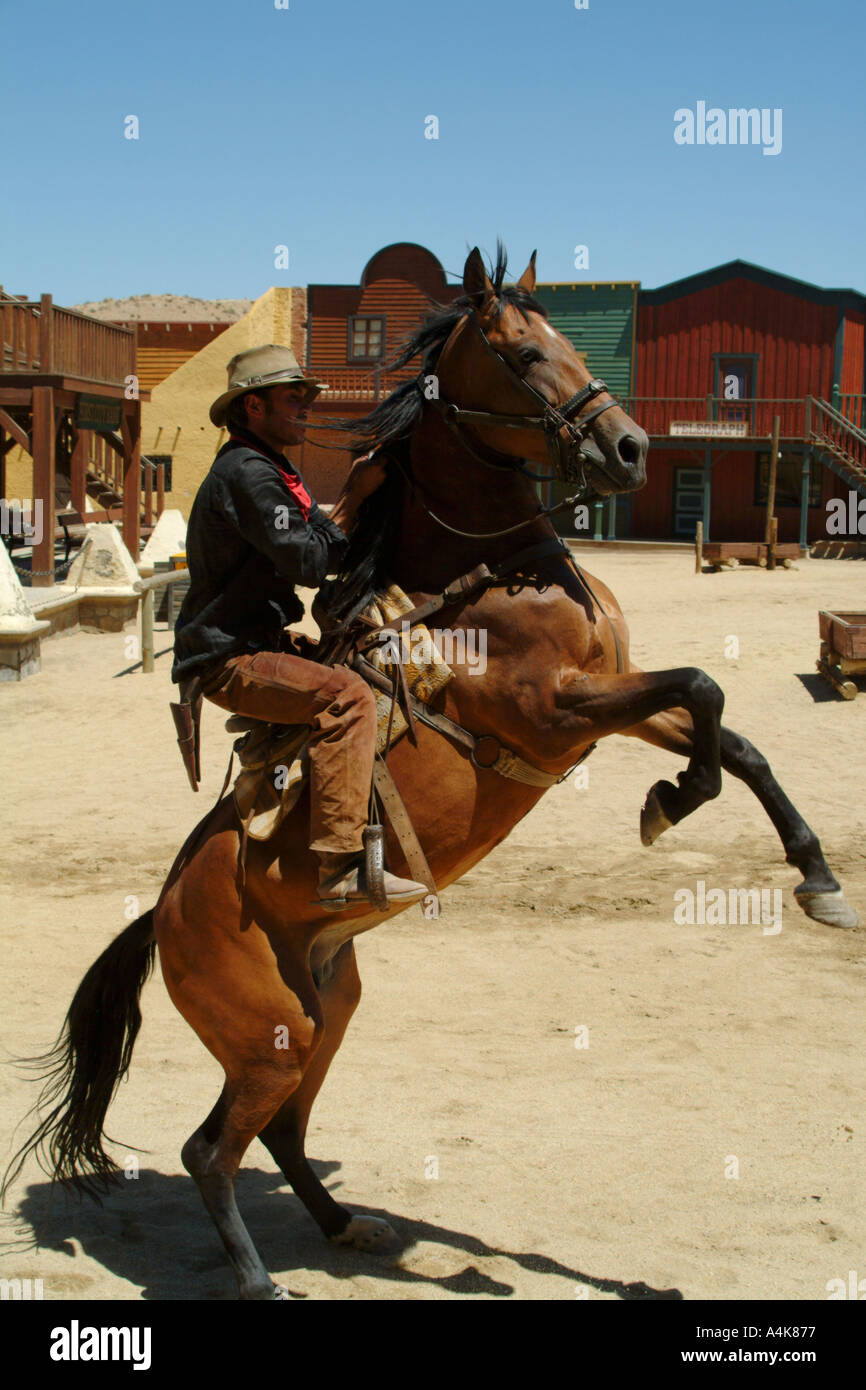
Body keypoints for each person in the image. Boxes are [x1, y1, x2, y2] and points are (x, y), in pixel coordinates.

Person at [171, 344, 427, 911]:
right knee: (349, 699)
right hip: (228, 657)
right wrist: (355, 496)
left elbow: (328, 546)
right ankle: (339, 867)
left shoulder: (276, 470)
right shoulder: (245, 473)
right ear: (253, 407)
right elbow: (308, 560)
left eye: (307, 398)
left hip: (262, 641)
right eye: (295, 398)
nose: (306, 409)